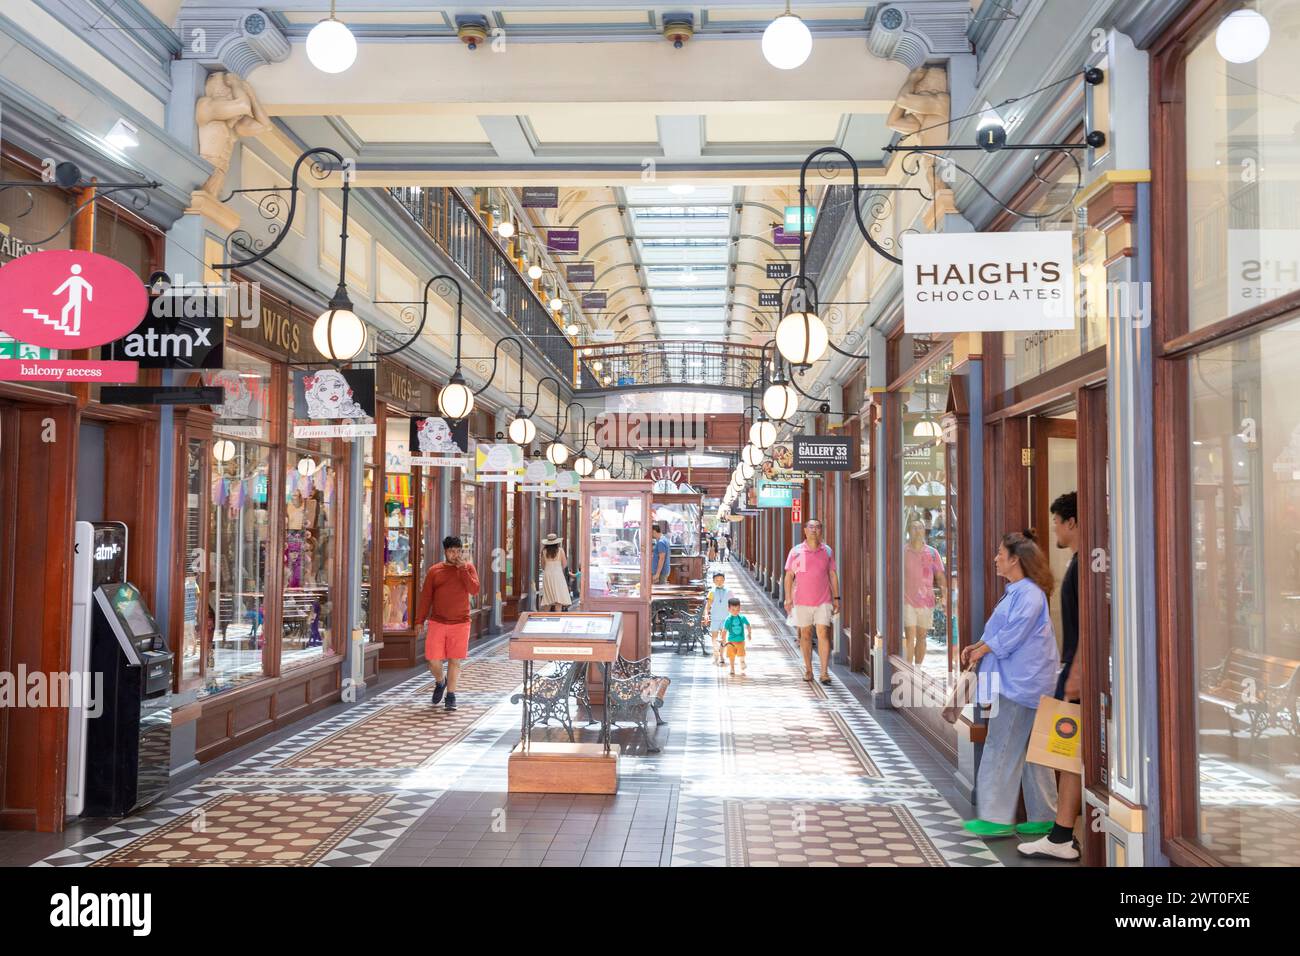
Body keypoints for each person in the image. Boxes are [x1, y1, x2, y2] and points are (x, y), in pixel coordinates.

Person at [960, 531, 1060, 838]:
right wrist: (979, 644)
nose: (995, 558)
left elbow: (1014, 634)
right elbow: (1000, 630)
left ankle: (996, 817)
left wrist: (984, 648)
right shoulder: (1017, 591)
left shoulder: (1028, 593)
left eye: (1000, 553)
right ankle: (1044, 815)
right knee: (1033, 750)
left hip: (1020, 684)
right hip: (1020, 681)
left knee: (1001, 746)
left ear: (1015, 559)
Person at [1020, 492, 1083, 861]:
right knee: (1065, 753)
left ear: (1071, 522)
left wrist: (1076, 671)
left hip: (1076, 673)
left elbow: (1091, 625)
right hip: (1071, 669)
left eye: (1058, 522)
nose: (1055, 529)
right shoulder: (1079, 563)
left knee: (1065, 752)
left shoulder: (1084, 566)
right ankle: (1061, 834)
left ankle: (1061, 835)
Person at [415, 535, 480, 711]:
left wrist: (462, 570)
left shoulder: (468, 568)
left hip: (461, 622)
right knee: (433, 661)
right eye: (452, 551)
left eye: (459, 551)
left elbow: (474, 590)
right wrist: (419, 620)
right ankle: (440, 681)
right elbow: (426, 598)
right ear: (445, 551)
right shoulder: (434, 571)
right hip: (437, 621)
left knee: (455, 661)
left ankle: (451, 696)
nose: (455, 554)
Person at [783, 518, 839, 684]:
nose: (814, 530)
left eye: (817, 527)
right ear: (805, 530)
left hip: (824, 600)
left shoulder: (827, 551)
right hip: (801, 601)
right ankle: (808, 669)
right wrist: (788, 598)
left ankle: (824, 672)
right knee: (805, 635)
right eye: (811, 527)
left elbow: (832, 574)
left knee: (823, 633)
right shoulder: (796, 552)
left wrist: (837, 597)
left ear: (821, 530)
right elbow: (789, 576)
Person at [903, 516, 947, 666]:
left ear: (924, 531)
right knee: (910, 635)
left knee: (922, 637)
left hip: (926, 601)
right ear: (909, 531)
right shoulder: (903, 551)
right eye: (914, 528)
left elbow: (940, 577)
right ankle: (908, 669)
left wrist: (945, 596)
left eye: (920, 527)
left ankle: (918, 668)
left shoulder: (933, 553)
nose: (917, 530)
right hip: (907, 600)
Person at [703, 569, 733, 666]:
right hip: (715, 618)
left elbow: (733, 605)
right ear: (714, 581)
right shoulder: (711, 592)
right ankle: (715, 653)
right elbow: (707, 606)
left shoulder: (729, 591)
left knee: (723, 638)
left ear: (724, 580)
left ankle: (722, 656)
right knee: (714, 638)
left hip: (725, 618)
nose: (719, 582)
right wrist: (706, 615)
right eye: (717, 580)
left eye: (721, 579)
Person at [539, 532, 571, 611]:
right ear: (556, 542)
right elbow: (564, 564)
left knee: (548, 598)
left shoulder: (544, 551)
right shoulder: (560, 551)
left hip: (548, 574)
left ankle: (545, 618)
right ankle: (558, 616)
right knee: (558, 597)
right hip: (558, 575)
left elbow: (542, 566)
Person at [721, 596, 751, 676]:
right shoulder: (728, 619)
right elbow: (724, 630)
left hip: (741, 641)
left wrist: (749, 633)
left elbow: (748, 625)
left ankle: (742, 661)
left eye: (737, 610)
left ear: (740, 608)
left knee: (741, 654)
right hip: (731, 642)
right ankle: (732, 668)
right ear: (729, 609)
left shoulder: (742, 617)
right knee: (731, 656)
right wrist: (722, 639)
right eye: (733, 610)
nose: (735, 612)